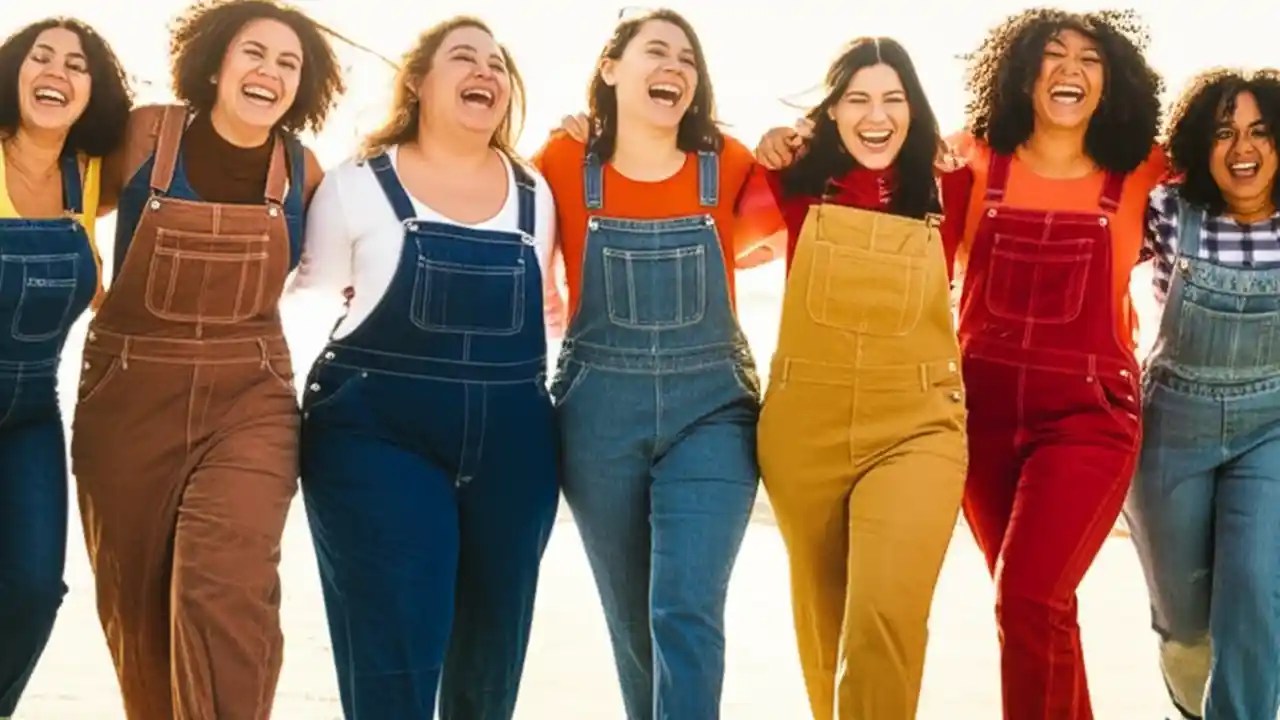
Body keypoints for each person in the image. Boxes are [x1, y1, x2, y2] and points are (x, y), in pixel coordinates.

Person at [758, 8, 1166, 719]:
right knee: (1040, 609)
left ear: (1116, 81)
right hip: (977, 415)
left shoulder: (1143, 169)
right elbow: (873, 174)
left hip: (1087, 415)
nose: (1069, 69)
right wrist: (790, 141)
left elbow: (1244, 168)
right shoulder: (969, 163)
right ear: (1018, 73)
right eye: (1051, 54)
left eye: (1090, 58)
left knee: (1030, 596)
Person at [69, 1, 342, 717]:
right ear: (216, 62)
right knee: (138, 618)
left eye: (289, 63)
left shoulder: (303, 170)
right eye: (255, 52)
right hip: (127, 398)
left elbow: (364, 250)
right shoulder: (144, 136)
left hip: (249, 398)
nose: (270, 72)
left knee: (226, 589)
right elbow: (44, 187)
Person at [293, 16, 559, 720]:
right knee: (395, 657)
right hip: (377, 437)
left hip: (515, 449)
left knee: (489, 668)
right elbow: (313, 287)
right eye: (464, 58)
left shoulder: (537, 193)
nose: (486, 73)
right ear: (417, 82)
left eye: (498, 64)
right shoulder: (358, 184)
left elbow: (552, 311)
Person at [534, 8, 782, 719]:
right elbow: (501, 221)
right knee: (633, 621)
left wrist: (787, 147)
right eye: (657, 51)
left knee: (685, 606)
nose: (675, 66)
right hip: (596, 416)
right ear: (611, 68)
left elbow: (799, 221)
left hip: (712, 410)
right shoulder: (560, 161)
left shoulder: (728, 165)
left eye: (688, 58)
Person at [750, 36, 970, 720]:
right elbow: (713, 236)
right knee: (825, 632)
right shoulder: (791, 182)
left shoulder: (953, 185)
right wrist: (766, 147)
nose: (877, 116)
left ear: (915, 109)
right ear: (833, 112)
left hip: (918, 427)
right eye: (858, 99)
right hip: (802, 429)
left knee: (882, 620)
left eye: (893, 99)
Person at [1124, 68, 1280, 720]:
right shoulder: (1166, 210)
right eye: (1223, 134)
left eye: (1260, 132)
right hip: (1169, 432)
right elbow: (1075, 237)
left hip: (1271, 426)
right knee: (1184, 628)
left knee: (1253, 595)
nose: (1242, 148)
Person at [0, 17, 129, 719]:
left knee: (30, 590)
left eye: (76, 64)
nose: (56, 71)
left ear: (92, 91)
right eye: (39, 56)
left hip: (29, 413)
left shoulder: (90, 180)